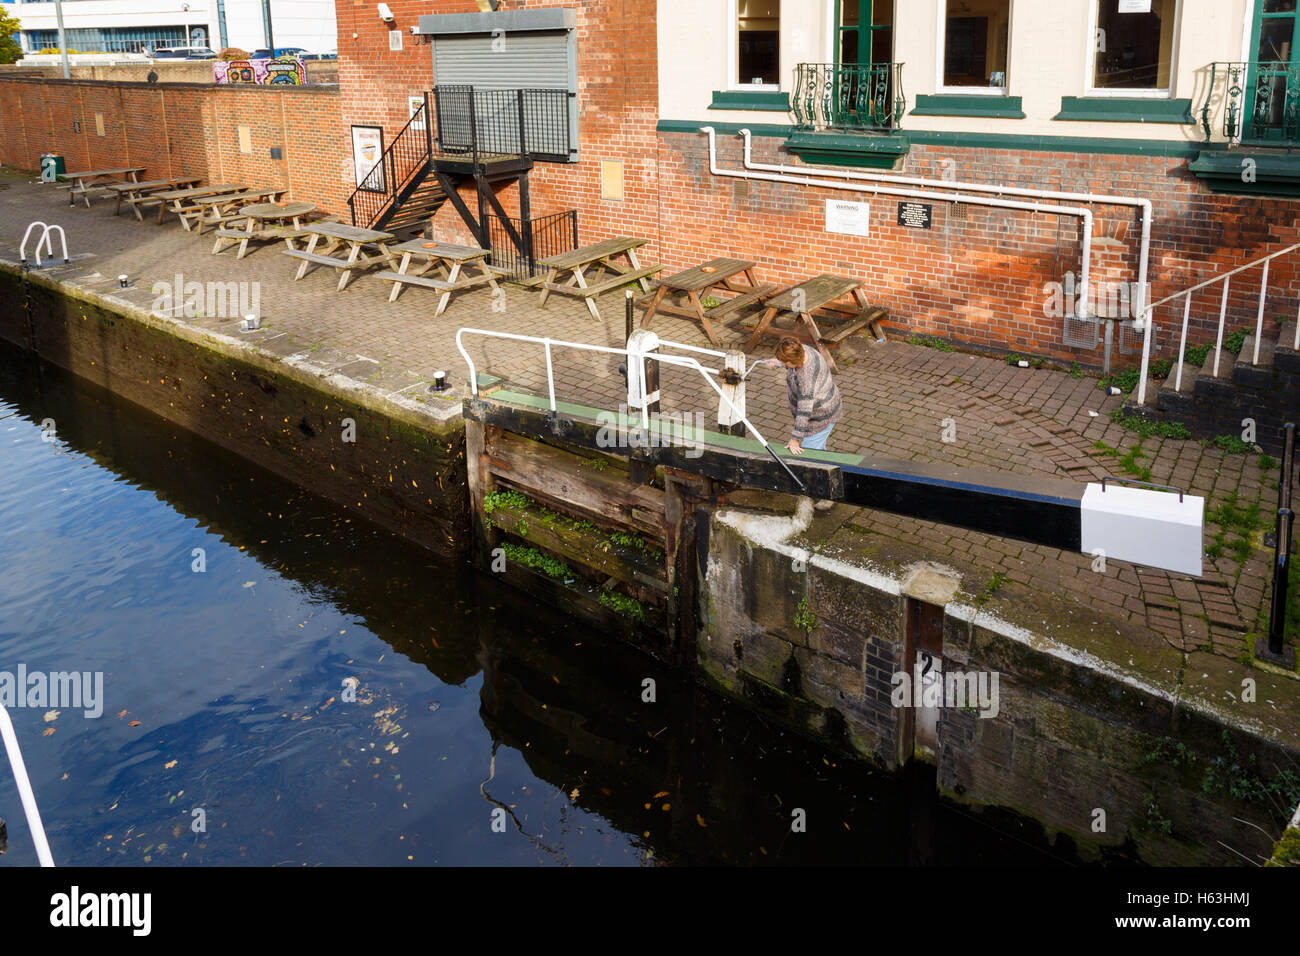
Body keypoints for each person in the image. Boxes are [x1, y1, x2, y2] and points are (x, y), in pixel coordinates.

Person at [762, 337, 843, 509]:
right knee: (818, 452)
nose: (784, 366)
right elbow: (790, 361)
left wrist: (795, 439)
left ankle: (828, 494)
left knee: (810, 456)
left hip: (821, 416)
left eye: (786, 363)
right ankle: (831, 485)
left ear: (795, 361)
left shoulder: (806, 376)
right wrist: (778, 361)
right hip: (819, 410)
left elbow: (804, 412)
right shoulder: (801, 348)